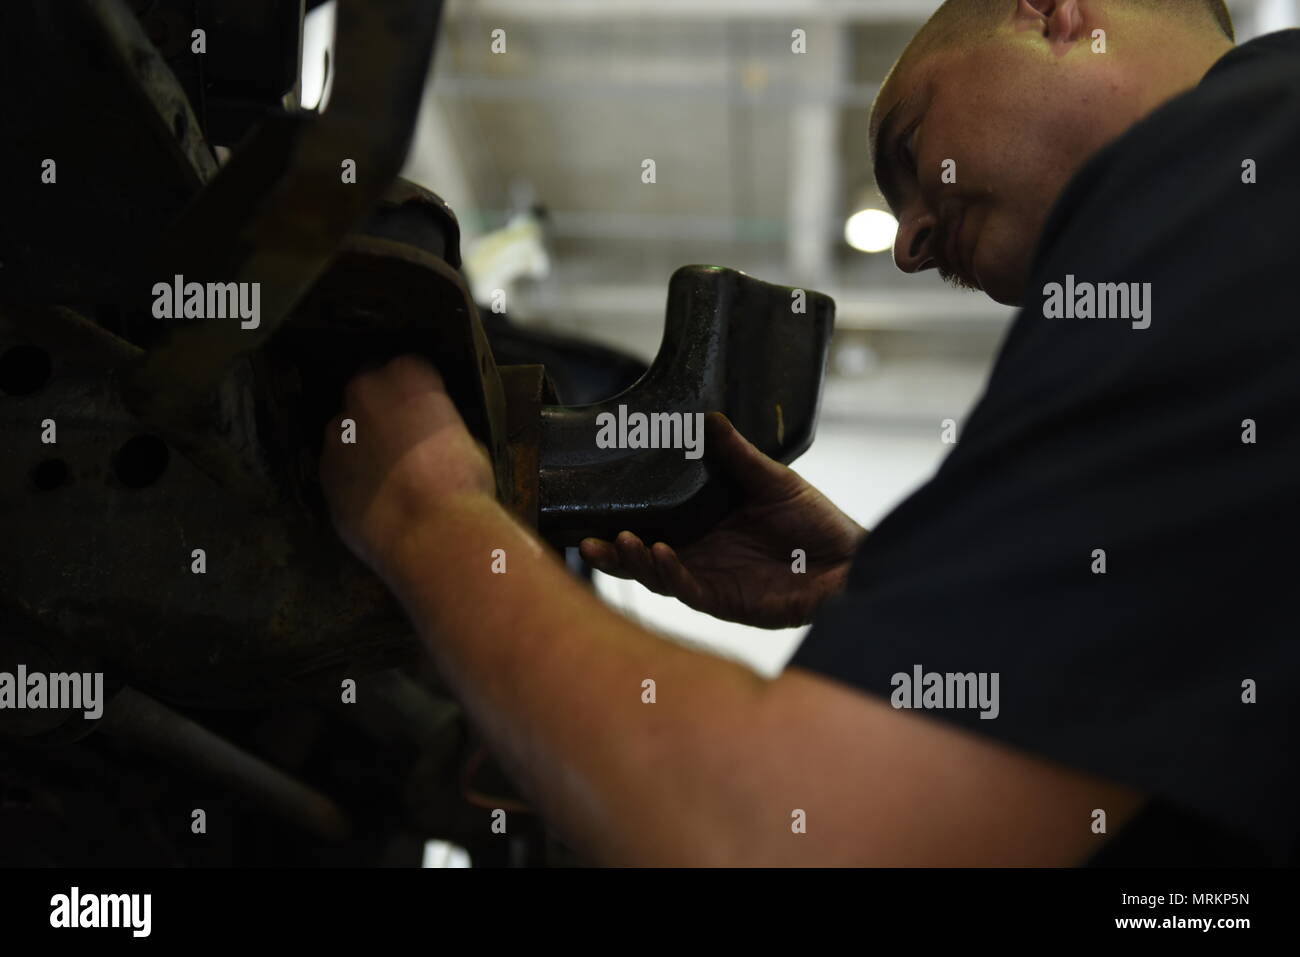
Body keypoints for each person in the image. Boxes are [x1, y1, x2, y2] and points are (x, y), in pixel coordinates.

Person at [319, 0, 1299, 866]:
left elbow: (789, 834)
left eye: (911, 147)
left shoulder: (1246, 152)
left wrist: (425, 513)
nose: (911, 245)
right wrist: (890, 596)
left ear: (1050, 12)